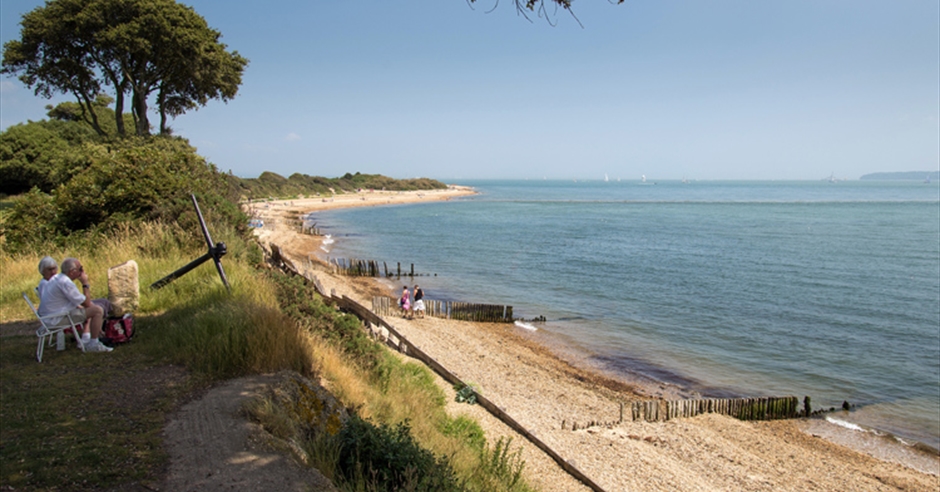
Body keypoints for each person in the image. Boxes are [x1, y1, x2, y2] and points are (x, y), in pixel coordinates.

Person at [38, 257, 112, 353]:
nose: (82, 272)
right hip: (56, 319)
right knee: (97, 310)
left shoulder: (57, 279)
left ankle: (89, 337)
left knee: (93, 308)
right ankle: (93, 343)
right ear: (72, 272)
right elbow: (87, 303)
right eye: (80, 269)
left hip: (49, 318)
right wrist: (85, 283)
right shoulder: (65, 282)